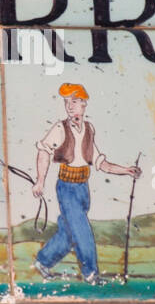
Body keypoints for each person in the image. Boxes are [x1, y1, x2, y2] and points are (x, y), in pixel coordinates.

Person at [31, 83, 141, 283]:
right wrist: (40, 181)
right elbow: (43, 152)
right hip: (66, 188)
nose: (69, 106)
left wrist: (126, 171)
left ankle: (43, 261)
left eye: (74, 101)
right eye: (66, 102)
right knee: (82, 231)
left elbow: (101, 163)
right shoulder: (59, 128)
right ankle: (91, 273)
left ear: (84, 103)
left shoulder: (89, 129)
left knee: (69, 234)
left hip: (83, 188)